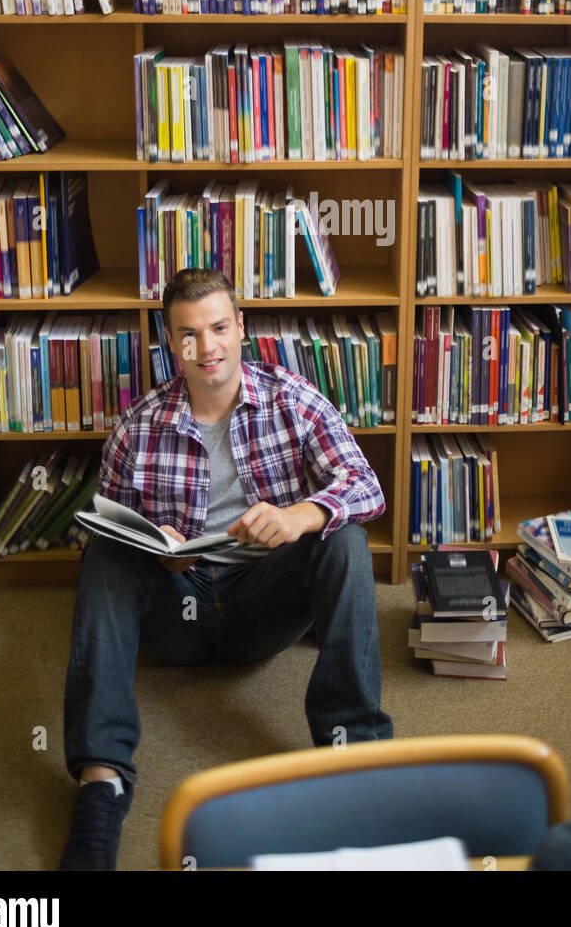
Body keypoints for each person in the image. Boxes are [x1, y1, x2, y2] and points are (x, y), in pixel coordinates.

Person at [59, 267, 393, 870]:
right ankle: (100, 783)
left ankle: (354, 762)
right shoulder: (138, 428)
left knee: (345, 542)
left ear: (242, 328)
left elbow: (366, 487)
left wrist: (302, 514)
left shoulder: (294, 399)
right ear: (171, 343)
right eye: (189, 334)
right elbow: (103, 522)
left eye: (218, 327)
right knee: (106, 559)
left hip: (261, 608)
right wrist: (152, 544)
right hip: (176, 611)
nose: (207, 347)